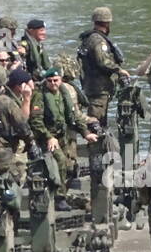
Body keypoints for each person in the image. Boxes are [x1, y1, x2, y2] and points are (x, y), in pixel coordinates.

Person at [30, 67, 99, 202]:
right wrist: (49, 137)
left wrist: (86, 133)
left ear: (60, 80)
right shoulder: (40, 96)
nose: (53, 83)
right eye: (50, 81)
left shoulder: (63, 93)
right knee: (60, 161)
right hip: (47, 137)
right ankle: (59, 198)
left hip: (61, 135)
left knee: (68, 164)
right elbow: (36, 121)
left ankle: (60, 190)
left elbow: (73, 117)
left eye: (56, 80)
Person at [77, 6, 129, 125]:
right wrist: (119, 70)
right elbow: (103, 61)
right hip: (98, 88)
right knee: (97, 123)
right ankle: (96, 143)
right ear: (107, 23)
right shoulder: (98, 40)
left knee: (98, 121)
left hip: (93, 86)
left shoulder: (90, 38)